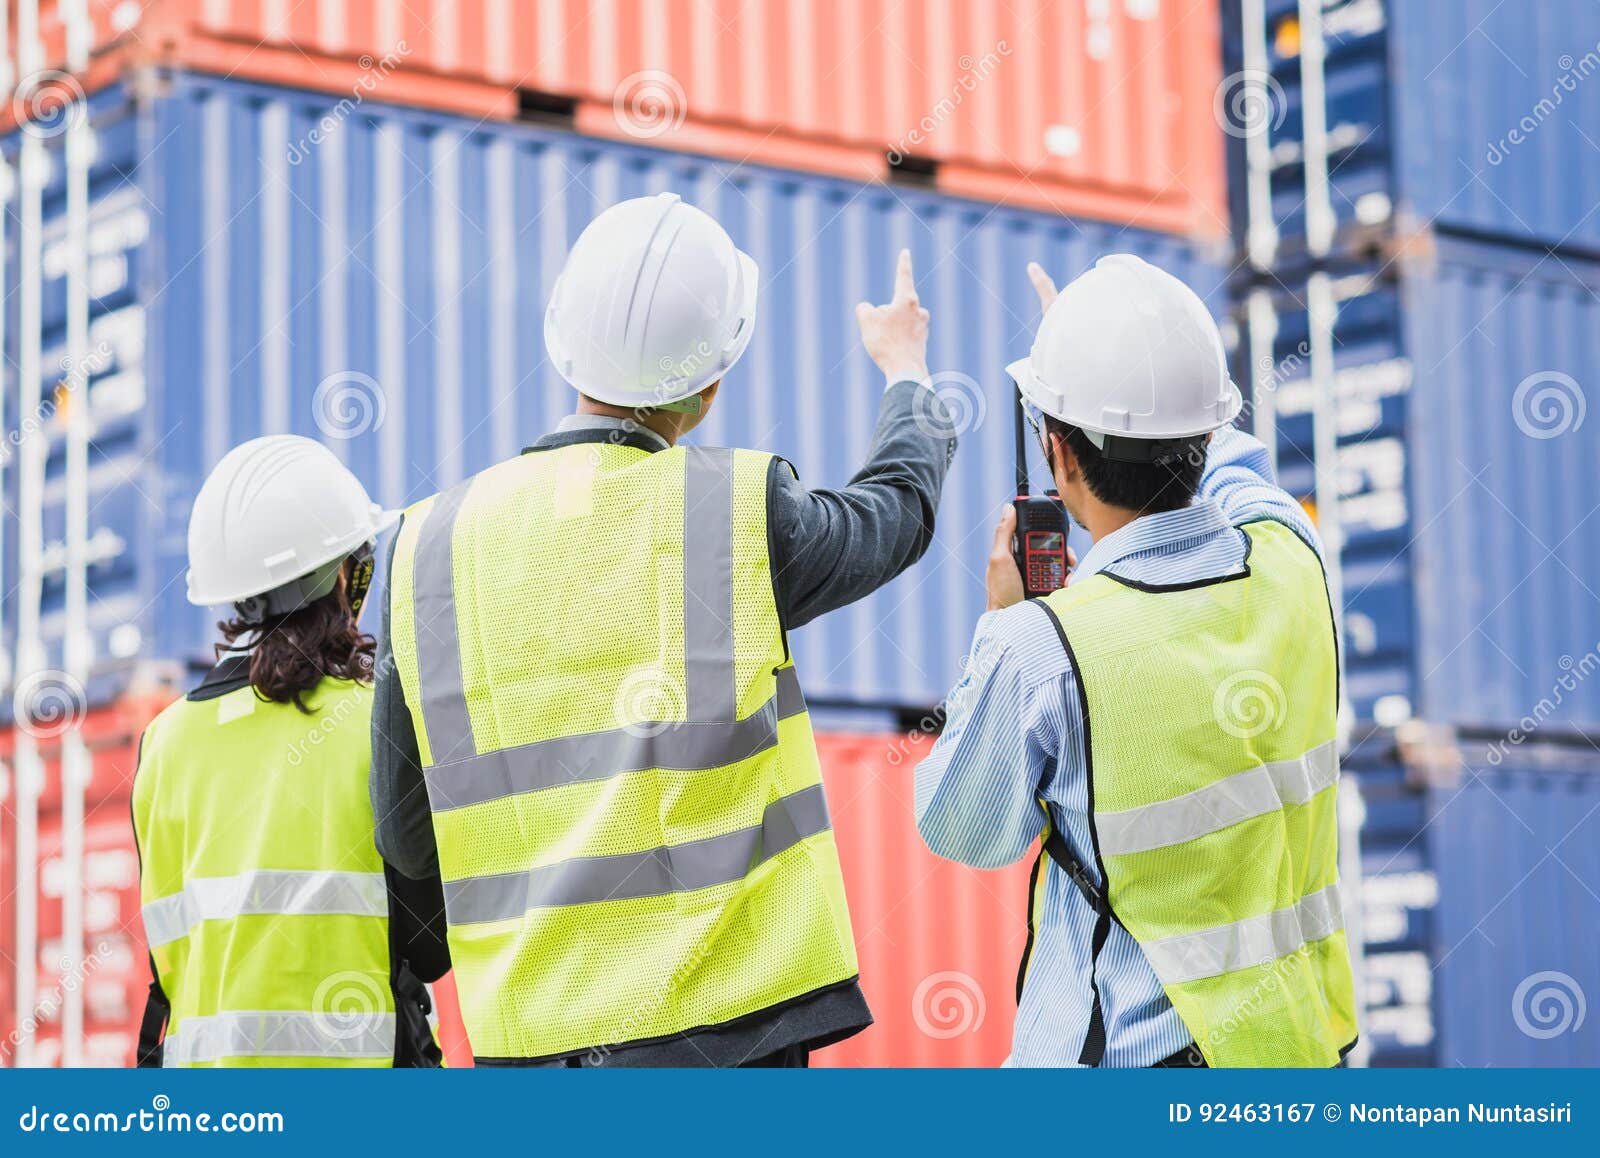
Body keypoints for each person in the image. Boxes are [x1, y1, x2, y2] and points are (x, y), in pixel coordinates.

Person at [371, 192, 955, 1067]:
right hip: (728, 1046)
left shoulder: (422, 550)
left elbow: (408, 840)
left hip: (530, 1052)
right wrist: (906, 373)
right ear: (712, 382)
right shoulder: (738, 514)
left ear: (561, 339)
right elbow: (897, 513)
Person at [915, 255, 1357, 1068]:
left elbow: (962, 828)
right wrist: (1138, 368)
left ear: (1058, 457)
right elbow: (1235, 466)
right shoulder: (1297, 557)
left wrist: (998, 626)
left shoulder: (1043, 645)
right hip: (1299, 1053)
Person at [133, 435, 447, 1068]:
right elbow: (430, 945)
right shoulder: (375, 718)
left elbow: (167, 958)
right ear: (343, 574)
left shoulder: (163, 743)